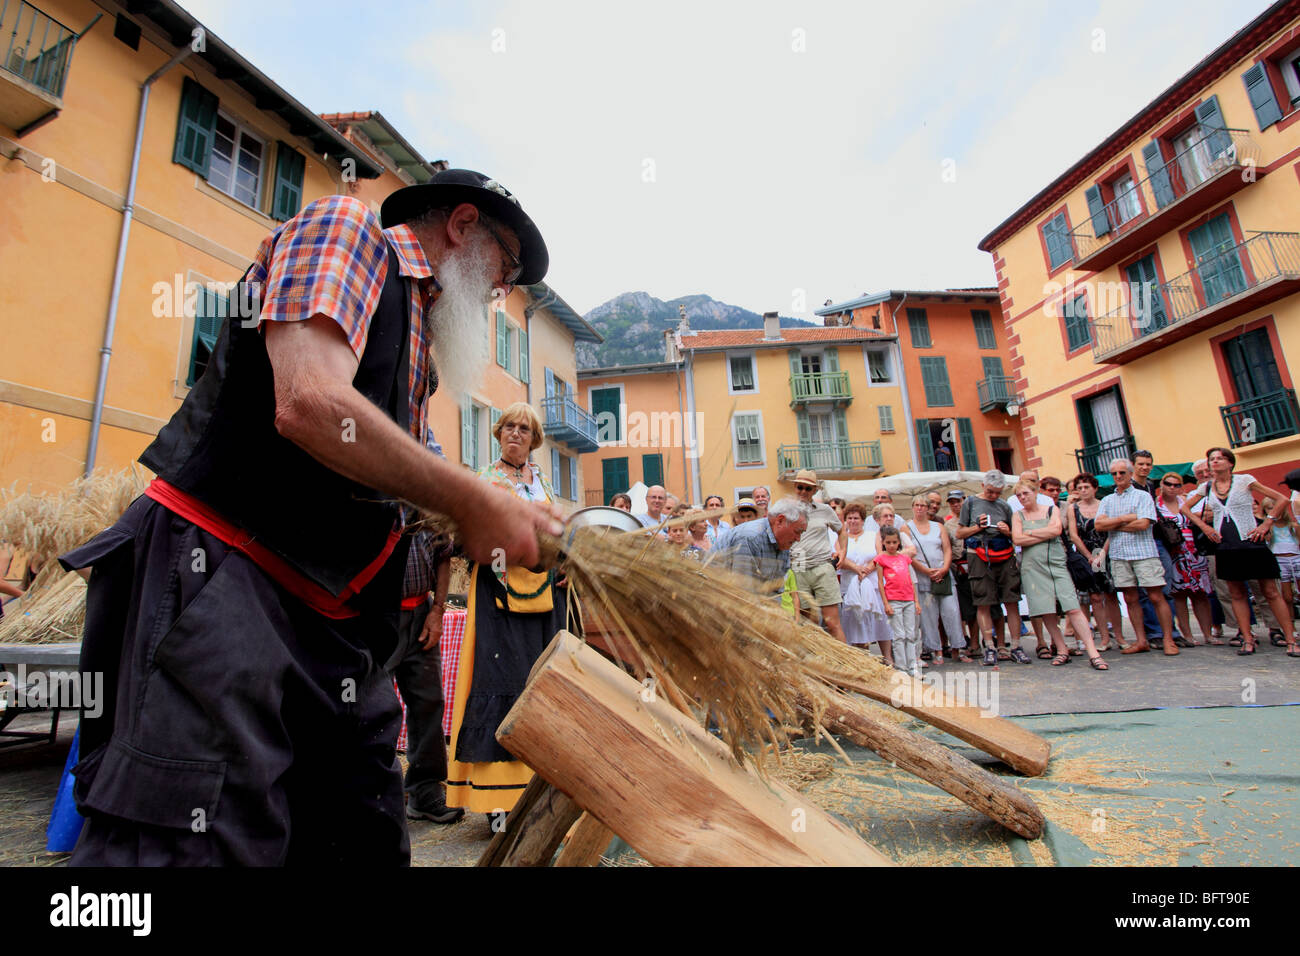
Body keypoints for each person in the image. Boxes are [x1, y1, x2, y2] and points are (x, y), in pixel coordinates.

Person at [56, 171, 563, 866]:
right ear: (463, 226)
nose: (497, 296)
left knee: (359, 838)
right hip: (224, 585)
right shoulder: (347, 232)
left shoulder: (416, 339)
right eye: (502, 272)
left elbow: (399, 476)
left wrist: (507, 517)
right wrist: (472, 500)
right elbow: (307, 402)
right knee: (189, 846)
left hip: (331, 629)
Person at [446, 402, 569, 817]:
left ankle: (542, 788)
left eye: (525, 428)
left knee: (540, 680)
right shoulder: (484, 480)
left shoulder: (545, 485)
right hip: (498, 592)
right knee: (503, 677)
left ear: (534, 439)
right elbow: (465, 536)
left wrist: (566, 563)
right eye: (510, 427)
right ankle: (499, 800)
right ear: (498, 433)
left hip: (546, 594)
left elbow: (559, 534)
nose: (516, 433)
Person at [1182, 447, 1297, 657]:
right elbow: (1185, 509)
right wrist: (1206, 527)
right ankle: (1247, 638)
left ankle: (1291, 639)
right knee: (1236, 594)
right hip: (1226, 546)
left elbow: (1281, 499)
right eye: (1212, 459)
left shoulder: (1245, 480)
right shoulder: (1207, 487)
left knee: (1271, 591)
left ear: (1230, 463)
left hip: (1252, 542)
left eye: (1219, 458)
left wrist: (1266, 524)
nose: (1214, 462)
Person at [1012, 480, 1106, 669]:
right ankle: (1062, 649)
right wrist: (1042, 533)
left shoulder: (1050, 509)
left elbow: (1056, 530)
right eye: (1019, 495)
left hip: (1056, 563)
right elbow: (1017, 538)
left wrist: (1029, 533)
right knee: (1046, 610)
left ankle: (1093, 652)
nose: (1022, 498)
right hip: (1033, 567)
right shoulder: (1017, 515)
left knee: (1072, 607)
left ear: (1035, 492)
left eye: (1025, 493)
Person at [1096, 458, 1178, 656]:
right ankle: (1142, 640)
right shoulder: (1107, 500)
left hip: (1144, 553)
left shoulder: (1142, 496)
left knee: (1156, 595)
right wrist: (1127, 518)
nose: (1118, 477)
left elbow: (1144, 524)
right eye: (1114, 473)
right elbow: (1099, 525)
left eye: (1122, 473)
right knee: (1130, 598)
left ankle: (1169, 639)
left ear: (1130, 474)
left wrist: (1113, 524)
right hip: (1119, 554)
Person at [955, 471, 1028, 666]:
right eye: (990, 492)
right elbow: (959, 532)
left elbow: (1016, 535)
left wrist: (1007, 531)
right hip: (978, 554)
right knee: (983, 601)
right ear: (982, 486)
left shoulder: (1004, 506)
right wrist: (977, 528)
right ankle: (989, 646)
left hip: (1004, 553)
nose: (994, 496)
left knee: (1012, 600)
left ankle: (1016, 646)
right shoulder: (970, 503)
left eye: (997, 492)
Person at [1065, 473, 1126, 651]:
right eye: (1080, 488)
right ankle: (1104, 639)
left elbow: (1111, 531)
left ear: (1095, 488)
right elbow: (1074, 535)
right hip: (1086, 556)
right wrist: (1088, 556)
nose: (1083, 490)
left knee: (1112, 595)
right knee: (1095, 597)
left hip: (1106, 552)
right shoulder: (1073, 509)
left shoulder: (1104, 505)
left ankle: (1120, 636)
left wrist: (1102, 554)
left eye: (1087, 487)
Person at [904, 495, 966, 665]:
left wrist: (945, 568)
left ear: (928, 507)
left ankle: (957, 648)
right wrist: (924, 570)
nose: (919, 508)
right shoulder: (906, 528)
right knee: (929, 617)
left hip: (943, 575)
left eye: (923, 505)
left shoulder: (938, 526)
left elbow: (947, 549)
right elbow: (907, 554)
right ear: (912, 507)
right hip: (923, 576)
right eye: (916, 505)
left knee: (952, 612)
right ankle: (936, 650)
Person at [1155, 471, 1215, 646]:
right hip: (1173, 552)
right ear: (1162, 485)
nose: (1172, 488)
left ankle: (1208, 634)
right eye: (1168, 484)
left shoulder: (1186, 502)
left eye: (1176, 485)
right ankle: (1187, 635)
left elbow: (1206, 515)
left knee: (1201, 594)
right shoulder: (1156, 505)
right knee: (1179, 595)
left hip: (1194, 550)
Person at [790, 470, 847, 642]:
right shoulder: (786, 510)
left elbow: (842, 530)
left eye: (808, 489)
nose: (803, 492)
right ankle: (817, 662)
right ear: (795, 487)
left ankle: (845, 664)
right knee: (809, 623)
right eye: (800, 487)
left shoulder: (825, 510)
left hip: (822, 564)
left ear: (814, 491)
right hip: (798, 565)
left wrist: (843, 552)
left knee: (832, 622)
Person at [835, 502, 893, 663]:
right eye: (850, 518)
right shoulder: (841, 537)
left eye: (856, 518)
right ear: (845, 520)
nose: (853, 521)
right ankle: (863, 660)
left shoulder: (872, 535)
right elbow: (839, 556)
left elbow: (879, 554)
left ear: (862, 520)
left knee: (880, 622)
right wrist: (855, 568)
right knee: (855, 623)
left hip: (872, 583)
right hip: (850, 585)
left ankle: (887, 658)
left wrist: (867, 569)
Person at [721, 497, 809, 591]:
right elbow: (743, 591)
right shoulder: (749, 538)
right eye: (797, 531)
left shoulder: (783, 542)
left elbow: (775, 590)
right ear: (780, 521)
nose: (798, 539)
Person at [868, 527, 920, 677]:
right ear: (883, 543)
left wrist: (916, 601)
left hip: (908, 599)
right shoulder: (881, 559)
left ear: (899, 543)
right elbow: (880, 582)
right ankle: (902, 667)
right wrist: (886, 603)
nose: (891, 545)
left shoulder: (904, 558)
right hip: (893, 599)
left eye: (894, 542)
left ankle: (913, 666)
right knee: (899, 634)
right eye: (888, 542)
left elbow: (910, 579)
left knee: (910, 633)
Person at [1267, 494, 1300, 642]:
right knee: (1287, 597)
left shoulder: (1293, 526)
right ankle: (1291, 627)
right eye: (1269, 508)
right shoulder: (1268, 527)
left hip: (1296, 558)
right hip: (1279, 559)